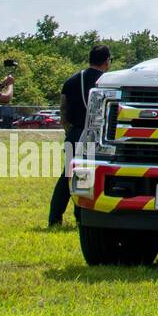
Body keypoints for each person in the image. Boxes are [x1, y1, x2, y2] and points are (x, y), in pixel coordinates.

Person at [48, 45, 110, 228]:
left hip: (74, 132)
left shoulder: (71, 80)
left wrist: (70, 132)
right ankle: (81, 217)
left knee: (66, 176)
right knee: (84, 176)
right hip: (92, 135)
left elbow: (63, 111)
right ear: (106, 61)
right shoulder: (105, 81)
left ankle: (55, 218)